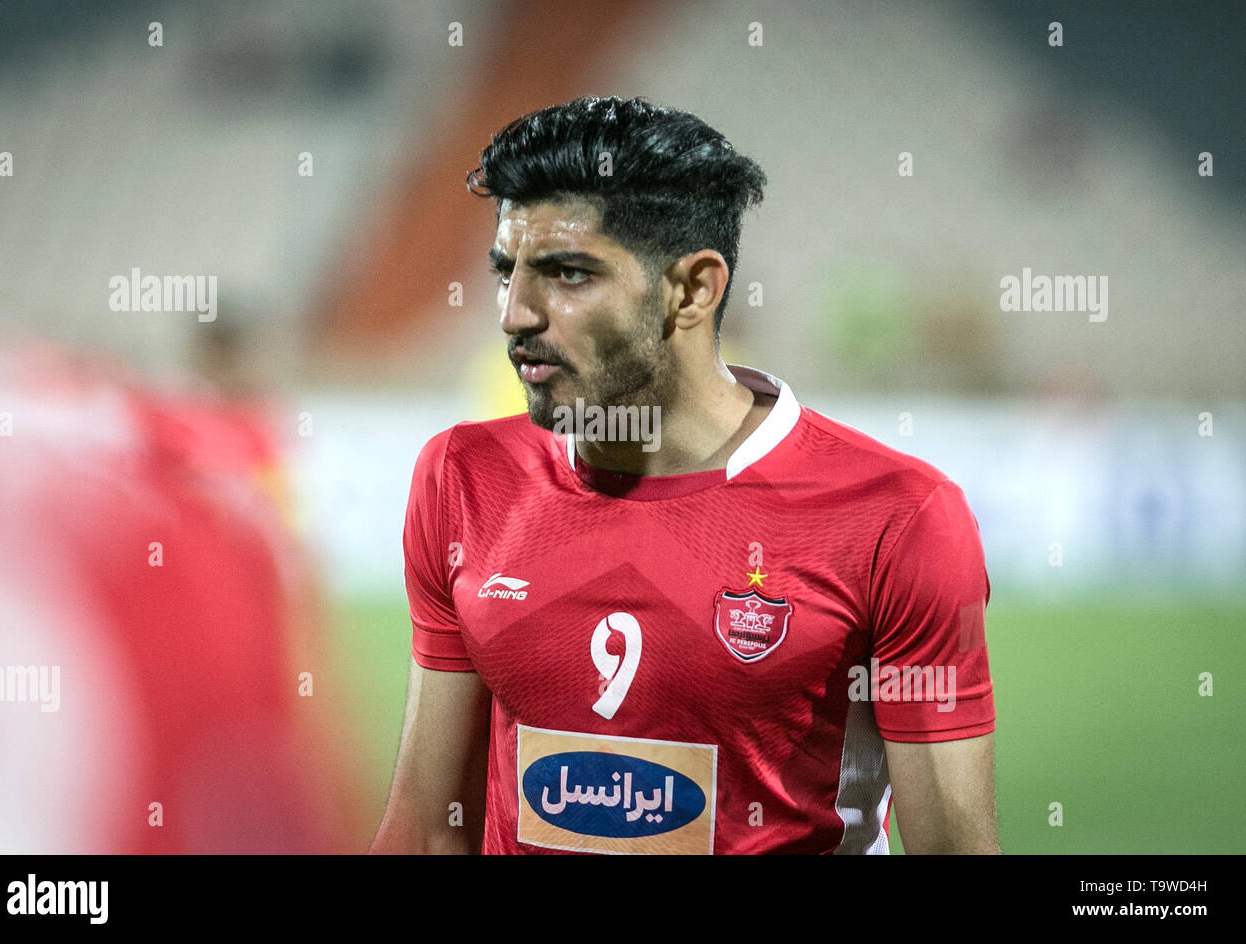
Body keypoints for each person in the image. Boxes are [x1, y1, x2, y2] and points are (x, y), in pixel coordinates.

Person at [370, 96, 998, 854]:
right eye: (509, 272)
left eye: (567, 274)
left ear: (694, 289)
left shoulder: (897, 517)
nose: (516, 313)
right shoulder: (463, 478)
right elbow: (430, 831)